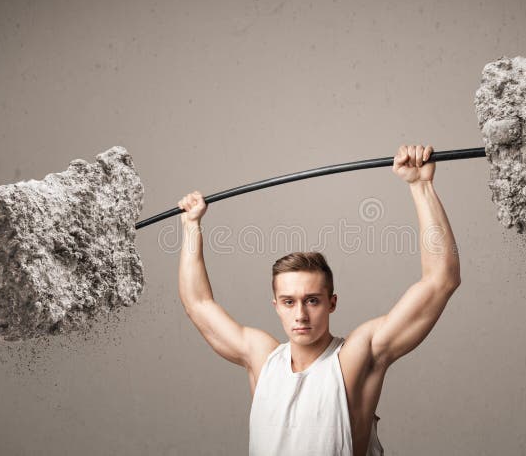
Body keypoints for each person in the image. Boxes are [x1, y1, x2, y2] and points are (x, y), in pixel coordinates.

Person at [177, 145, 461, 456]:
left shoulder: (356, 357)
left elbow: (440, 281)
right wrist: (191, 227)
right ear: (275, 305)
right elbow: (198, 304)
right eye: (288, 302)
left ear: (332, 303)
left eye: (312, 300)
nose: (300, 314)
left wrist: (421, 186)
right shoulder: (261, 359)